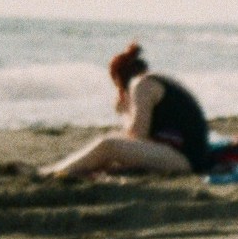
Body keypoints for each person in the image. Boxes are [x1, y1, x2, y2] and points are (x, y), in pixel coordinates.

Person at [42, 44, 215, 178]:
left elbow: (137, 135)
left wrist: (125, 111)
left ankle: (54, 173)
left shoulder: (141, 85)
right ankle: (63, 169)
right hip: (186, 153)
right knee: (113, 141)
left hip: (185, 159)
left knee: (107, 145)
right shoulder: (156, 81)